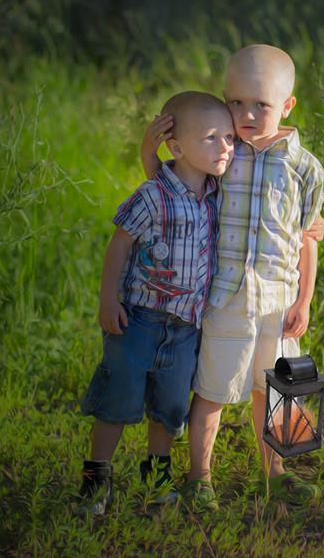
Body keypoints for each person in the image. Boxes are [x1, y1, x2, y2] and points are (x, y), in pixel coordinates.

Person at [141, 44, 324, 509]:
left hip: (278, 300)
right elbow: (172, 191)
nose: (245, 115)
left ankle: (276, 473)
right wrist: (148, 153)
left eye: (260, 104)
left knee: (278, 388)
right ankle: (199, 477)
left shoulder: (305, 168)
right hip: (225, 295)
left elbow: (308, 238)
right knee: (212, 389)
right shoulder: (223, 154)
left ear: (287, 105)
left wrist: (304, 300)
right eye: (236, 102)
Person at [76, 91, 234, 516]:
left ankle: (156, 481)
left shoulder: (218, 196)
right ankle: (96, 481)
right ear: (177, 148)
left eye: (230, 138)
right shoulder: (152, 195)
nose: (224, 147)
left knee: (169, 408)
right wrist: (107, 299)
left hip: (185, 328)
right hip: (139, 319)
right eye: (211, 138)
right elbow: (119, 244)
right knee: (118, 398)